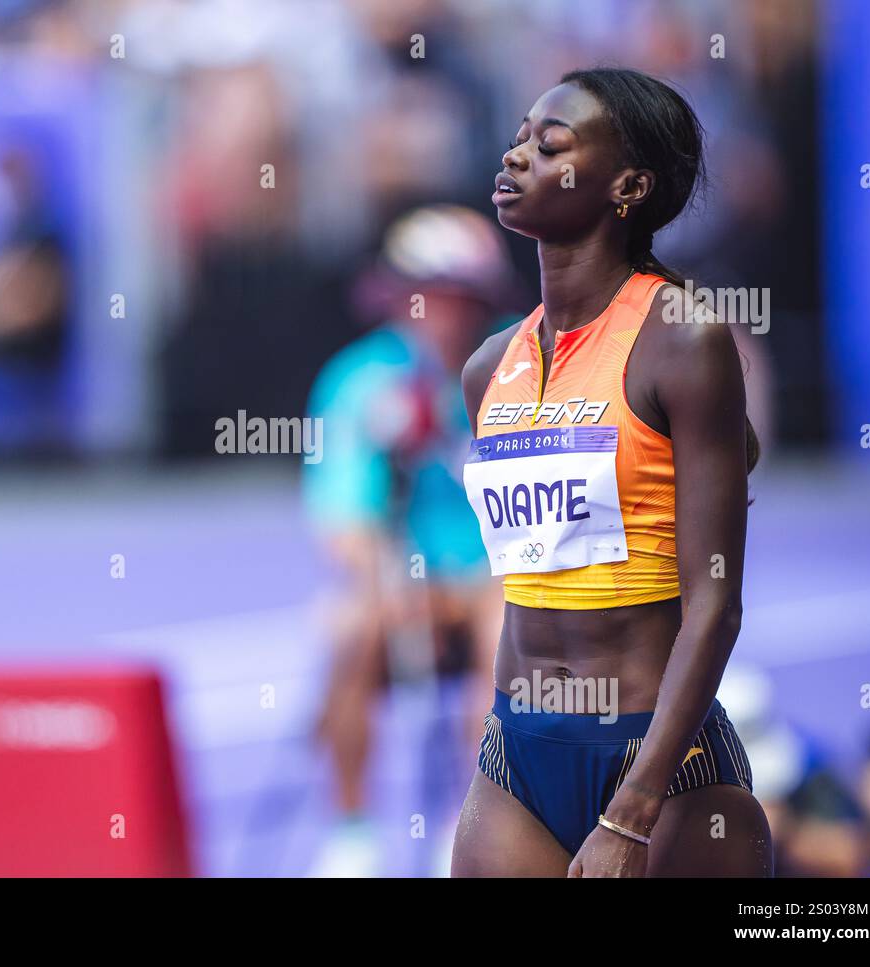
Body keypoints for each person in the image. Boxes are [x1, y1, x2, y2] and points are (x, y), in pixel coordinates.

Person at [451, 68, 772, 877]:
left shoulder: (682, 342)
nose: (518, 153)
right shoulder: (490, 368)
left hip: (659, 765)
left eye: (549, 144)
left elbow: (716, 603)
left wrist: (631, 813)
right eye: (519, 135)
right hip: (518, 753)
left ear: (628, 185)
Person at [303, 205, 519, 877]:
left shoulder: (524, 367)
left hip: (502, 582)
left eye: (456, 293)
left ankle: (470, 827)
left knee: (504, 623)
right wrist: (389, 586)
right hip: (405, 587)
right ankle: (352, 834)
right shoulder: (358, 381)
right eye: (421, 292)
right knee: (346, 626)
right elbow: (344, 522)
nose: (438, 310)